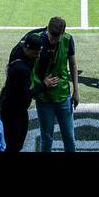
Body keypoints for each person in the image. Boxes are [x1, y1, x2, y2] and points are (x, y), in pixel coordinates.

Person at [31, 16, 79, 152]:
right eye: (51, 36)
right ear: (47, 29)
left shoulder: (68, 39)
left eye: (56, 37)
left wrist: (76, 90)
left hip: (63, 96)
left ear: (63, 33)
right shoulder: (37, 40)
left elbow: (73, 64)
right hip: (43, 98)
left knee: (69, 137)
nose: (52, 40)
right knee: (46, 139)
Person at [0, 31, 42, 152]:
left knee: (10, 142)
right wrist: (44, 85)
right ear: (27, 49)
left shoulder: (17, 51)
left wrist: (43, 29)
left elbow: (29, 34)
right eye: (35, 53)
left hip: (8, 104)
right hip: (15, 111)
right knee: (14, 144)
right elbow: (26, 95)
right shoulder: (22, 70)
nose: (38, 56)